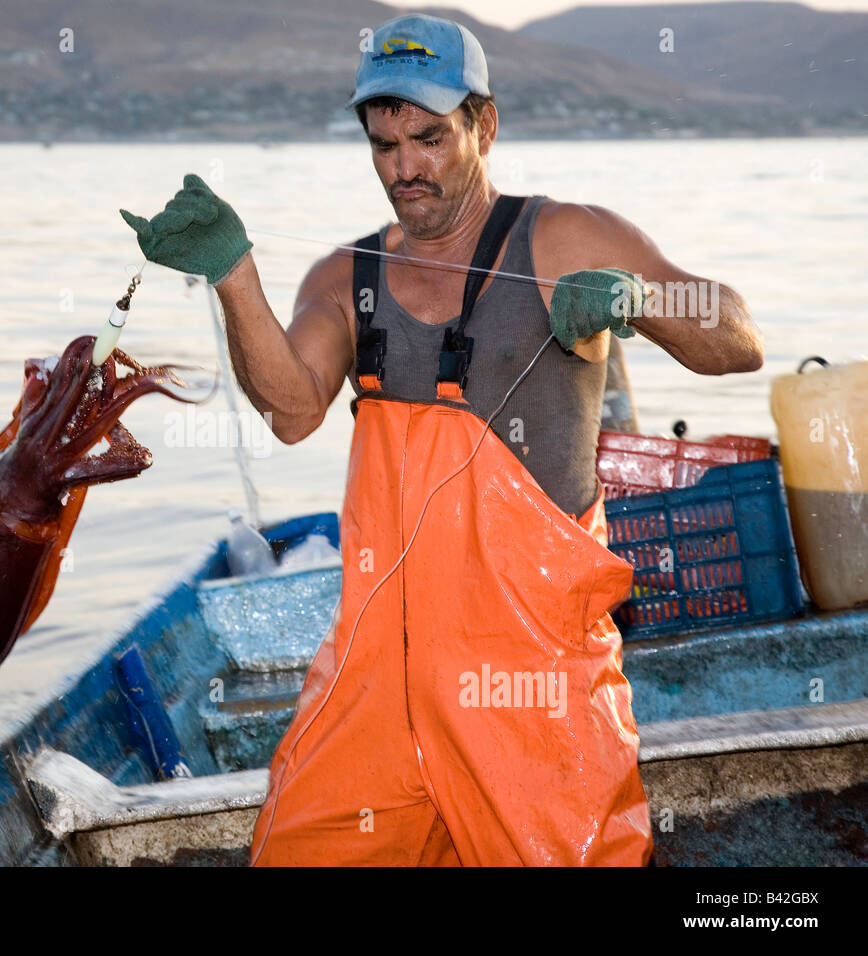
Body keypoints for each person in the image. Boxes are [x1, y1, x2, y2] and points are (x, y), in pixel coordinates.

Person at [121, 13, 764, 866]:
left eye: (428, 138)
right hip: (375, 682)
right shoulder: (347, 276)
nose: (405, 169)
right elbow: (291, 409)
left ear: (484, 124)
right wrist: (234, 275)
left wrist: (633, 300)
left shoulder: (564, 235)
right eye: (384, 144)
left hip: (528, 680)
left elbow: (737, 335)